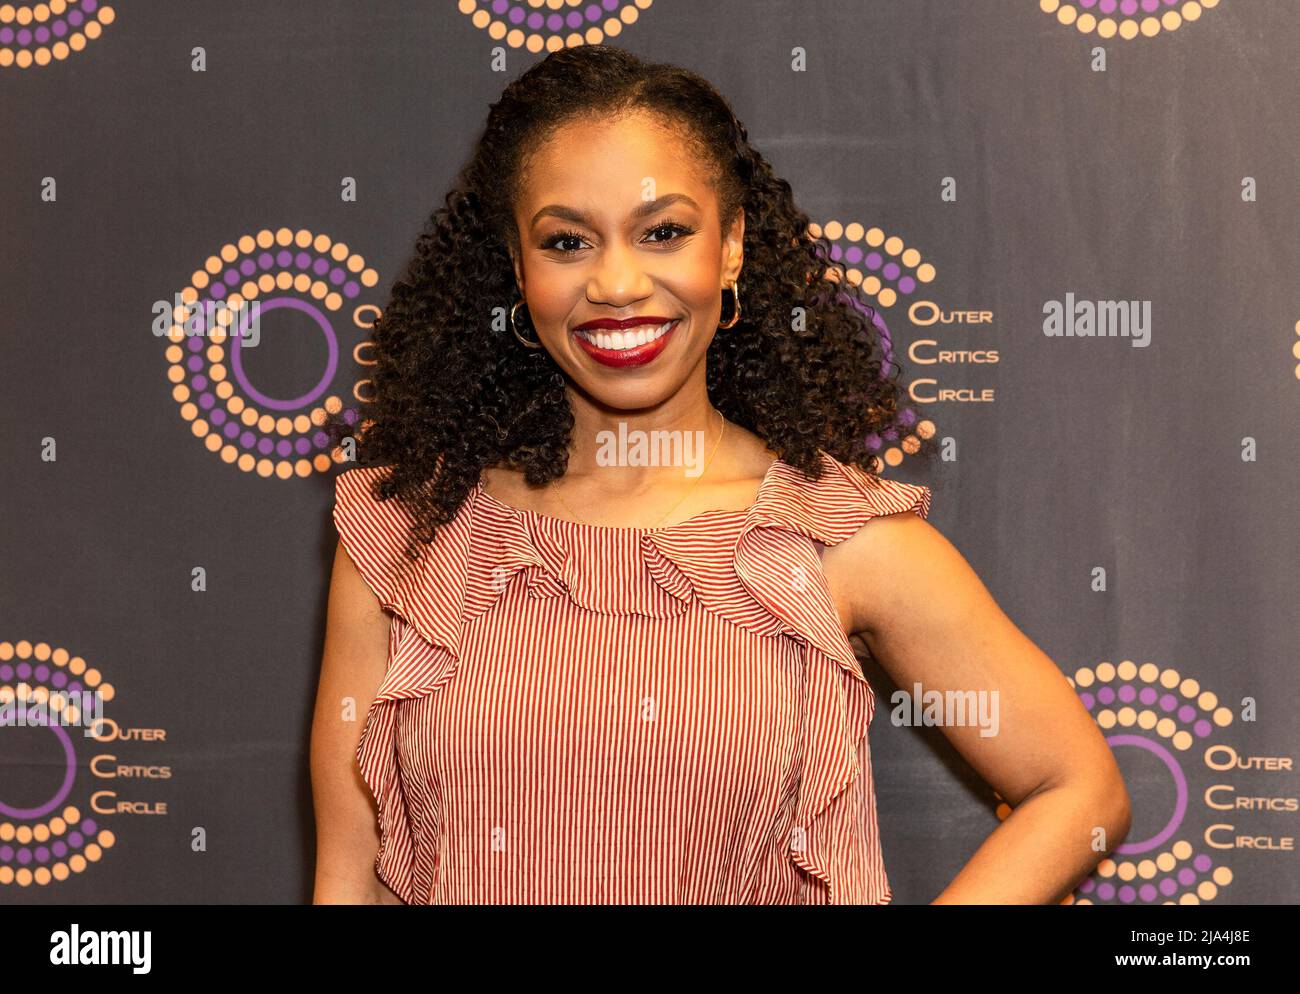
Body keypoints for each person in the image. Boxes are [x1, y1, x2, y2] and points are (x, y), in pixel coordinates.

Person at [310, 45, 1129, 905]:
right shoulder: (404, 531)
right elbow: (348, 875)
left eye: (663, 231)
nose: (617, 282)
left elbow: (1080, 791)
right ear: (518, 271)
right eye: (566, 241)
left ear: (732, 246)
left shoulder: (834, 539)